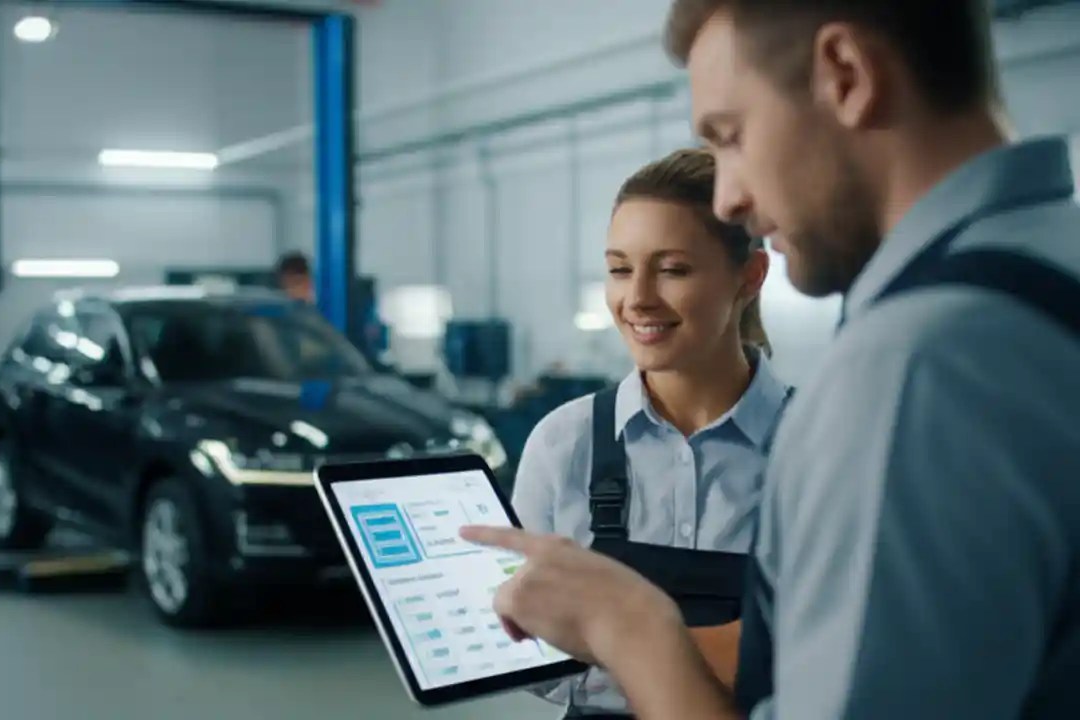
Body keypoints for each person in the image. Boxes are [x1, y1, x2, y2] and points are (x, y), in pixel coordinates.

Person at [462, 1, 1080, 718]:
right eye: (619, 269)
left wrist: (632, 630)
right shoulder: (1050, 271)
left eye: (731, 136)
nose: (732, 196)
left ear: (847, 75)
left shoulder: (909, 368)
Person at [513, 148, 790, 718]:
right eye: (619, 268)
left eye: (672, 269)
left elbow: (829, 655)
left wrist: (607, 637)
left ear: (750, 276)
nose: (636, 297)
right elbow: (529, 653)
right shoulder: (563, 444)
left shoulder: (817, 445)